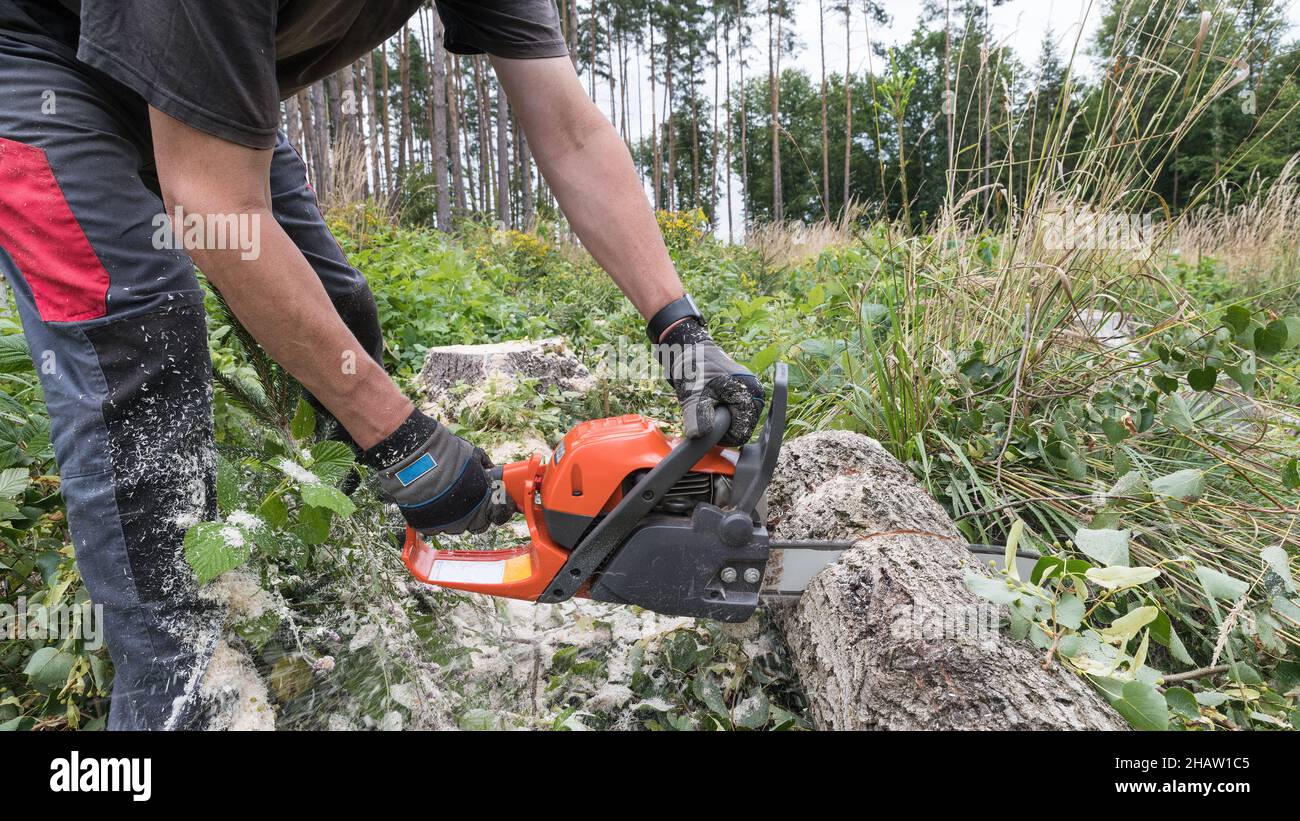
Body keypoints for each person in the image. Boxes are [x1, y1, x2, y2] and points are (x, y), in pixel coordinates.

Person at [0, 0, 764, 729]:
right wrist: (402, 439)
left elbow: (569, 132)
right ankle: (179, 694)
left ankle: (323, 572)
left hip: (206, 89)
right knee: (142, 331)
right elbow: (214, 205)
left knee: (340, 313)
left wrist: (680, 331)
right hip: (39, 64)